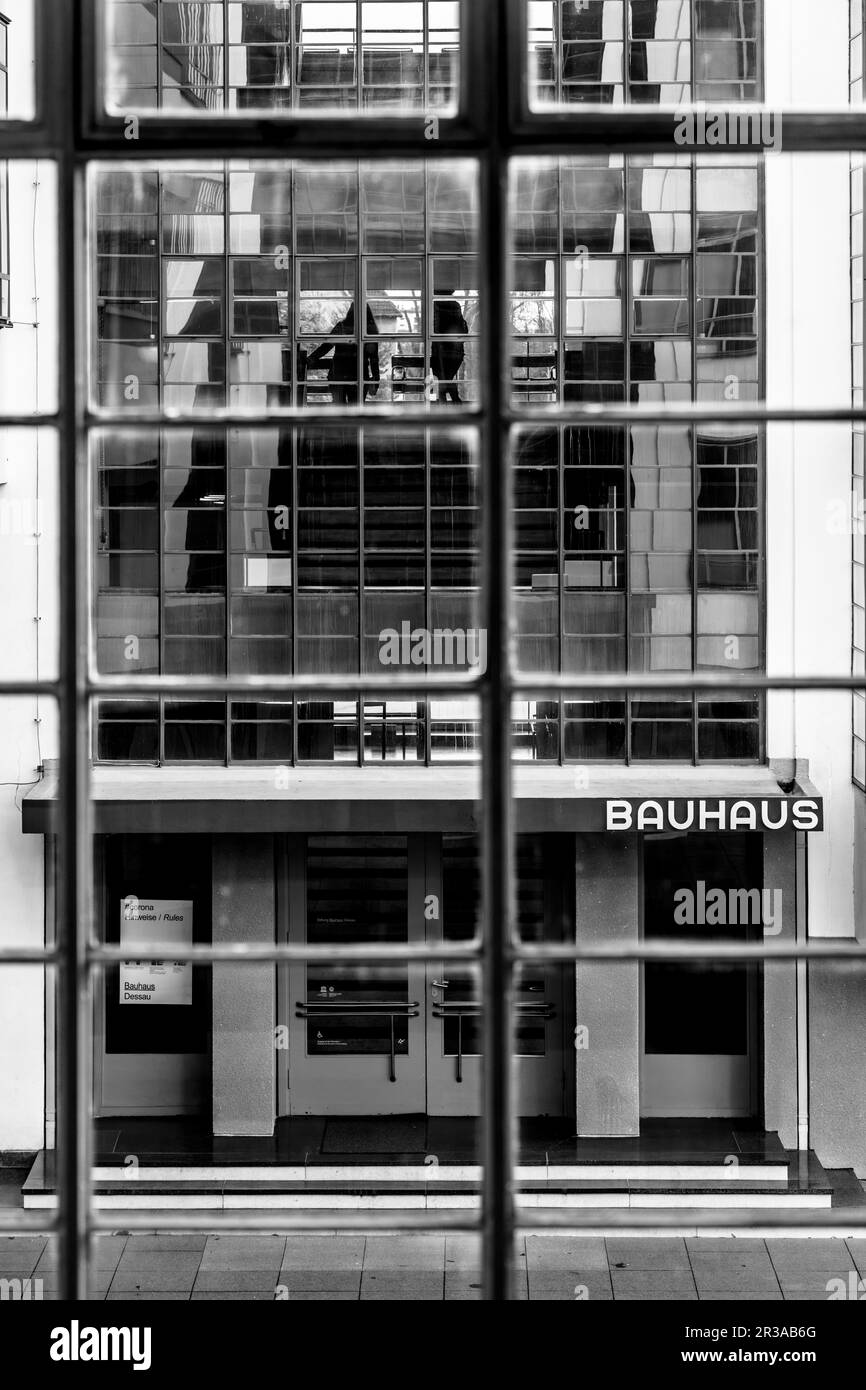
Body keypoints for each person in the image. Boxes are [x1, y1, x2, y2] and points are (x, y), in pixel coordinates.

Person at [306, 304, 381, 404]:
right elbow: (373, 358)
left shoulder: (341, 327)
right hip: (359, 375)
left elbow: (326, 346)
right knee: (355, 412)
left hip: (338, 374)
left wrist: (311, 358)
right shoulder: (370, 331)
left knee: (339, 410)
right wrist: (376, 380)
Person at [431, 290, 469, 404]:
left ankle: (451, 405)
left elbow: (435, 328)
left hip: (441, 352)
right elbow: (463, 329)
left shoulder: (435, 305)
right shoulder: (456, 305)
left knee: (443, 381)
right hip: (455, 352)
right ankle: (455, 404)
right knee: (445, 380)